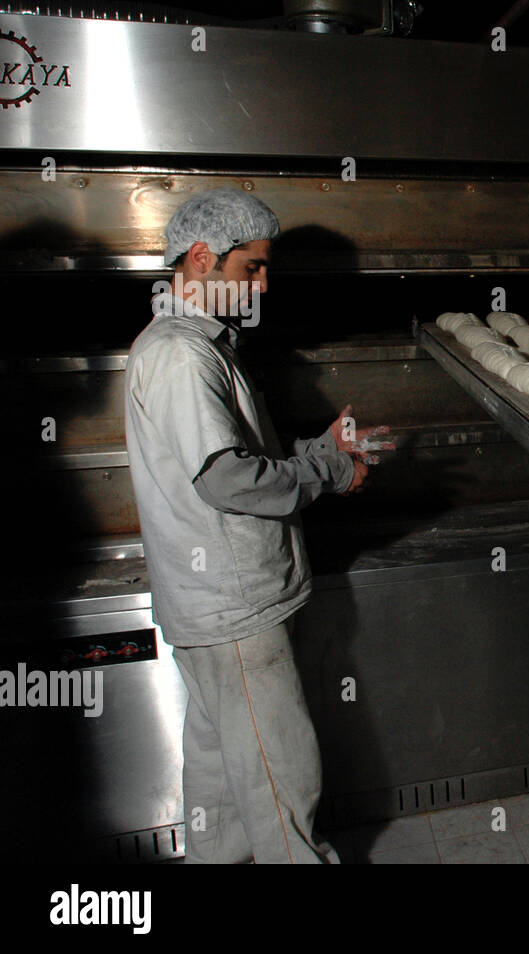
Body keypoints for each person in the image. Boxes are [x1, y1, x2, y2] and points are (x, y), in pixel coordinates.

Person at [123, 188, 393, 863]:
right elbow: (229, 482)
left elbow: (243, 458)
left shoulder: (195, 345)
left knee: (222, 790)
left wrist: (322, 449)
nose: (263, 285)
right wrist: (332, 474)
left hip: (211, 613)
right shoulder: (185, 357)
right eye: (254, 268)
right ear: (205, 257)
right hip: (236, 613)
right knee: (282, 788)